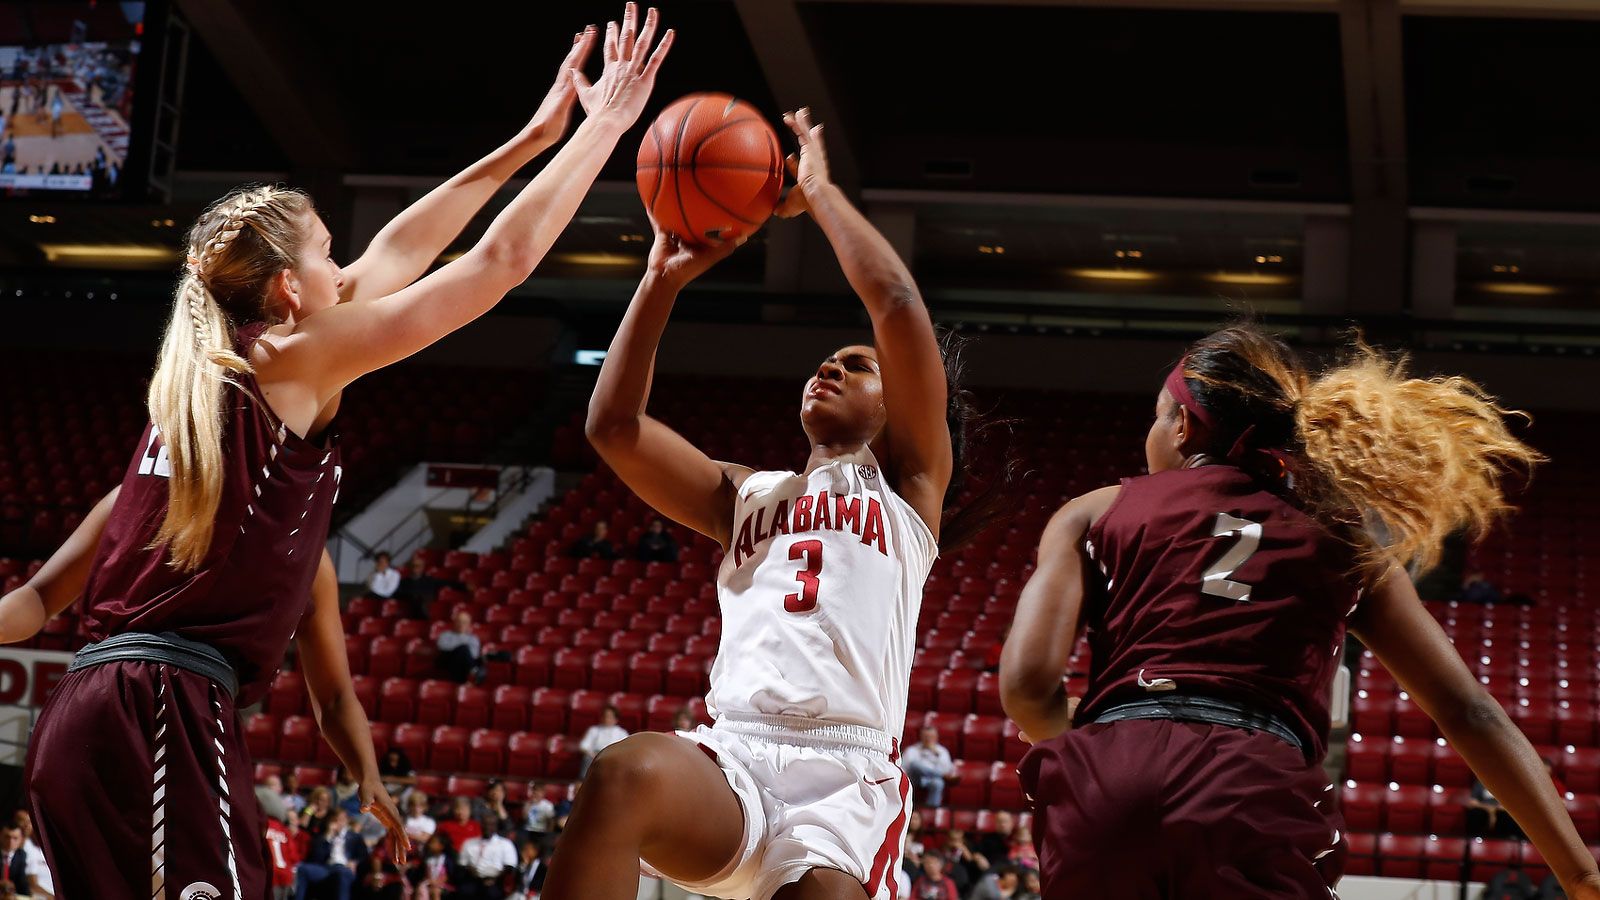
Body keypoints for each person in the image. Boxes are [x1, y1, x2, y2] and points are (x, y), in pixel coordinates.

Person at [0, 10, 672, 895]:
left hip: (87, 717)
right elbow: (499, 262)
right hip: (156, 709)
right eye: (327, 255)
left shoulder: (197, 413)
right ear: (288, 290)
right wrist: (606, 132)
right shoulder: (286, 361)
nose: (347, 269)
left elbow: (41, 598)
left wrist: (531, 139)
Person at [552, 102, 1012, 900]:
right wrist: (661, 278)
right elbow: (614, 427)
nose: (828, 369)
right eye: (825, 361)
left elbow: (898, 307)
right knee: (622, 773)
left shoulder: (909, 487)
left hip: (843, 777)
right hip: (732, 759)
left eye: (854, 366)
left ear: (895, 405)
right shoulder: (746, 493)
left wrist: (821, 193)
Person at [1001, 325, 1600, 899]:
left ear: (1182, 426)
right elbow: (1468, 710)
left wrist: (1110, 742)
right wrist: (1580, 875)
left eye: (1157, 415)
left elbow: (1027, 687)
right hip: (1252, 786)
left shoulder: (1095, 511)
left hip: (1107, 784)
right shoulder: (1343, 539)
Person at [297, 808, 369, 900]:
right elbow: (316, 857)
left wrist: (355, 862)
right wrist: (328, 835)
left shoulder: (355, 837)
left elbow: (364, 855)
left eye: (341, 820)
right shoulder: (324, 836)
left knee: (341, 873)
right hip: (325, 868)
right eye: (335, 820)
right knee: (303, 869)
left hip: (344, 867)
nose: (338, 823)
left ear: (346, 821)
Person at [456, 818, 518, 899]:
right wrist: (469, 869)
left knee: (491, 893)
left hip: (496, 881)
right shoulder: (469, 843)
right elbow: (462, 865)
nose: (487, 827)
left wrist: (494, 879)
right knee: (464, 891)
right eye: (485, 824)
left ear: (496, 827)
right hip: (473, 879)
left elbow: (510, 867)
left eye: (491, 824)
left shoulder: (505, 844)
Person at [902, 726, 956, 808]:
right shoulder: (912, 750)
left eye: (931, 736)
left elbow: (947, 769)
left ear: (936, 737)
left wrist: (936, 754)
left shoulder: (942, 751)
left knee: (938, 783)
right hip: (915, 779)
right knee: (915, 765)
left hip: (931, 780)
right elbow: (904, 768)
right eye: (926, 736)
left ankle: (930, 810)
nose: (928, 739)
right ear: (921, 737)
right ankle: (940, 775)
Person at [578, 705, 629, 777]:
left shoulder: (622, 733)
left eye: (609, 716)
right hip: (595, 755)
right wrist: (592, 754)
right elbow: (583, 745)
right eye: (605, 716)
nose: (606, 719)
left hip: (614, 756)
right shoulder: (594, 730)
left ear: (616, 719)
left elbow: (626, 748)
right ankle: (583, 782)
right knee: (587, 758)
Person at [8, 814, 48, 900]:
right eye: (22, 820)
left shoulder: (35, 848)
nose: (26, 825)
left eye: (29, 822)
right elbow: (31, 884)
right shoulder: (18, 848)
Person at [439, 610, 485, 683]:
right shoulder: (445, 635)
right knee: (463, 649)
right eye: (459, 621)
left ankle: (469, 677)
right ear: (454, 623)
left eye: (464, 622)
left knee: (478, 658)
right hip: (449, 660)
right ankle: (473, 672)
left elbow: (474, 654)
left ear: (469, 625)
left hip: (464, 661)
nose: (461, 624)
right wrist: (461, 644)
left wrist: (461, 646)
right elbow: (443, 647)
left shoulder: (473, 638)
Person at [408, 832, 458, 900]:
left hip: (441, 884)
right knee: (420, 890)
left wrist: (437, 882)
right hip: (428, 882)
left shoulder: (446, 860)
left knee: (435, 891)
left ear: (441, 846)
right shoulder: (427, 859)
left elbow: (448, 875)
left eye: (433, 842)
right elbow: (424, 873)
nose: (430, 845)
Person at [0, 825, 34, 898]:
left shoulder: (21, 855)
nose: (10, 841)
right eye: (7, 837)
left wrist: (29, 896)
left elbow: (22, 881)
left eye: (15, 838)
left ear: (21, 840)